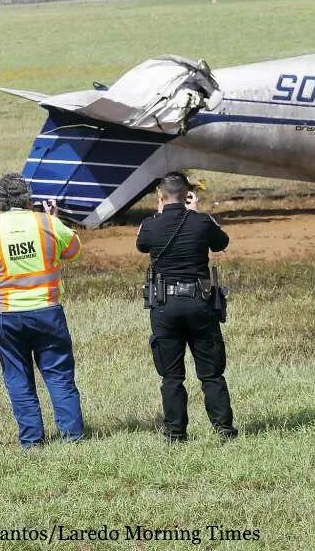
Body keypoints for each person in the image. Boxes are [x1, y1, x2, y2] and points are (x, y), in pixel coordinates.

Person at [0, 173, 84, 448]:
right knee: (59, 375)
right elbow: (75, 250)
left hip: (4, 317)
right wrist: (55, 220)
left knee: (17, 378)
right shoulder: (47, 223)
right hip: (47, 312)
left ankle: (31, 442)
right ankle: (73, 437)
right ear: (29, 199)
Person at [136, 172, 236, 442]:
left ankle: (175, 433)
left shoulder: (150, 225)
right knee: (211, 374)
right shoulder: (202, 222)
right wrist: (195, 213)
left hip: (164, 306)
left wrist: (161, 213)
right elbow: (222, 242)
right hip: (199, 303)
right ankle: (224, 430)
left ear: (160, 196)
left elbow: (141, 244)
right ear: (187, 195)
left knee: (171, 377)